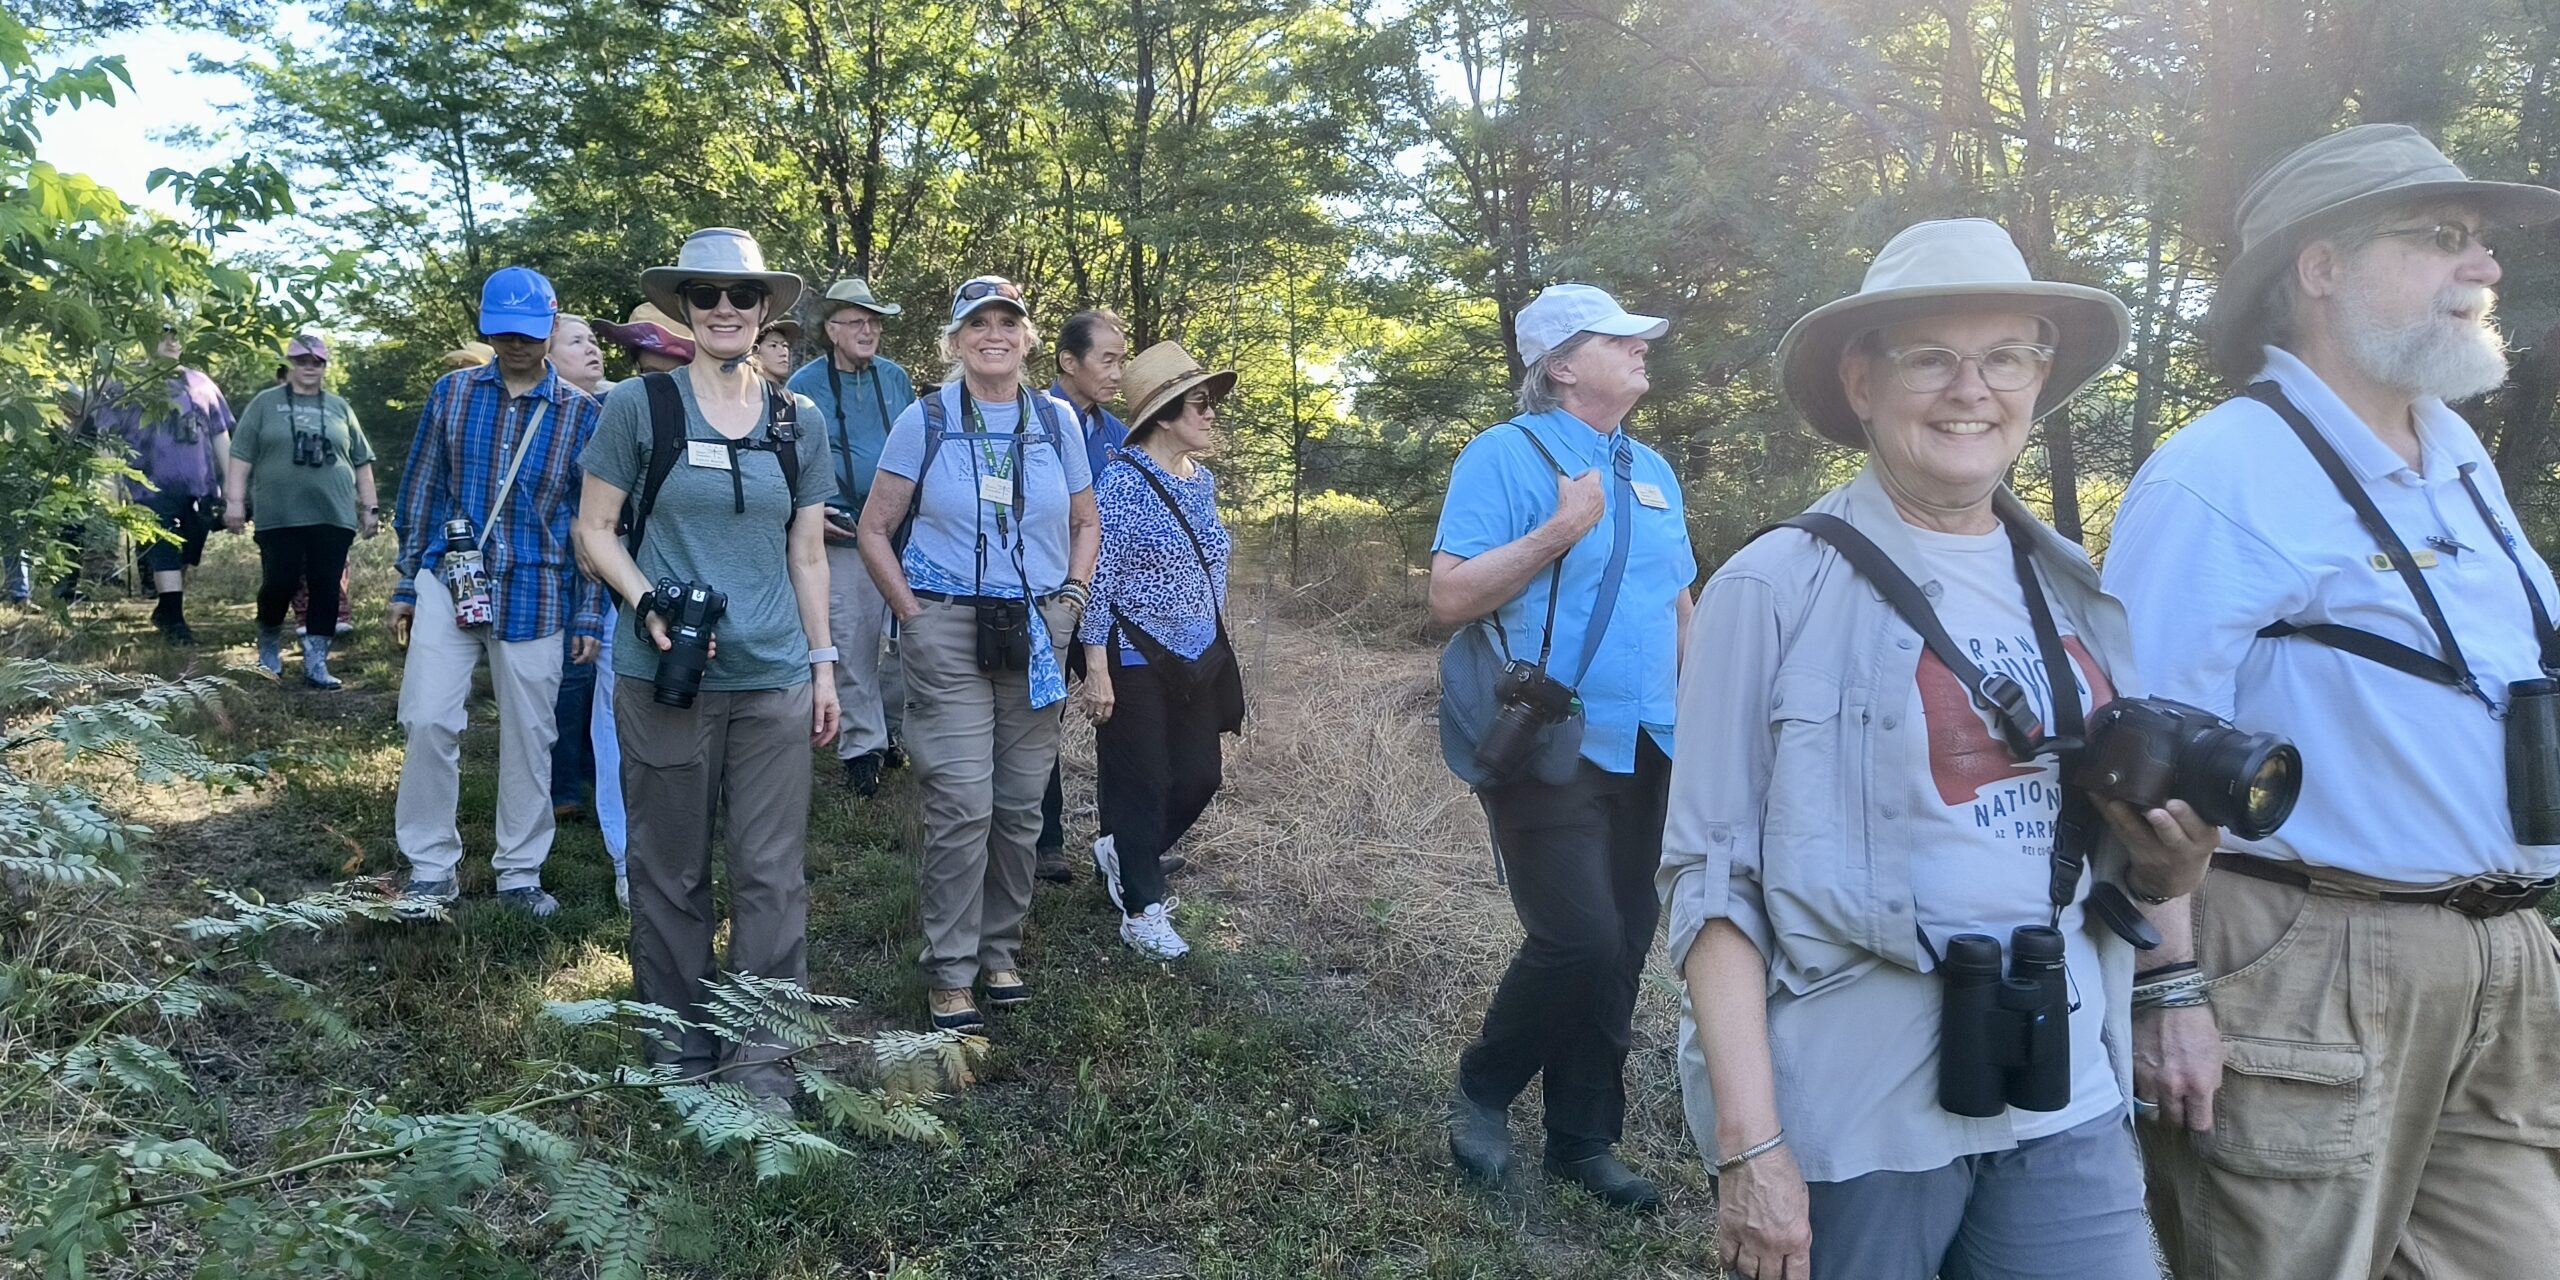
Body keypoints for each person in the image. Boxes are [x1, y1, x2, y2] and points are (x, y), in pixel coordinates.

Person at [1664, 220, 2217, 1277]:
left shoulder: (2074, 589)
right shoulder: (1772, 586)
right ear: (1862, 382)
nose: (1973, 388)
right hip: (1856, 1107)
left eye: (2005, 356)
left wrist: (2170, 887)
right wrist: (1752, 1146)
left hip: (2064, 1077)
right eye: (1932, 357)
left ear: (2038, 378)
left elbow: (2121, 842)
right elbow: (1709, 878)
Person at [2104, 125, 2560, 1280]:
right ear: (2319, 269)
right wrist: (2168, 986)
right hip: (2311, 964)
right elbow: (2134, 765)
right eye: (2439, 238)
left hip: (2499, 959)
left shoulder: (2451, 448)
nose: (2484, 267)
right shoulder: (2221, 474)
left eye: (2480, 243)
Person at [1431, 283, 1698, 1212]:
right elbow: (1452, 597)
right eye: (1617, 339)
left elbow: (1676, 601)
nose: (1640, 349)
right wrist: (1559, 531)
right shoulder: (1504, 456)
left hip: (1653, 740)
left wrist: (1700, 716)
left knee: (1624, 943)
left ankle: (1583, 1140)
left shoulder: (1653, 466)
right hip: (1550, 738)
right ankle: (1486, 1086)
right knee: (1576, 937)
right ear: (1560, 364)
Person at [572, 228, 838, 1108]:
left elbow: (808, 553)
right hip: (665, 677)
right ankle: (678, 1041)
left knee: (771, 872)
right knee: (669, 866)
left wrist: (825, 664)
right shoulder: (640, 409)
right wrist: (646, 602)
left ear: (766, 310)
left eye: (742, 296)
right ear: (685, 307)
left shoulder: (801, 420)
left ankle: (760, 1057)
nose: (725, 308)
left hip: (773, 677)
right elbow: (594, 531)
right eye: (706, 294)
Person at [853, 275, 1099, 1032]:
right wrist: (910, 615)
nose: (994, 334)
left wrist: (1073, 600)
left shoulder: (1058, 422)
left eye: (1008, 322)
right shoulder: (923, 421)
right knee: (963, 801)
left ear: (1027, 339)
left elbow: (1086, 522)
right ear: (956, 340)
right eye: (977, 324)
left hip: (1034, 632)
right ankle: (951, 968)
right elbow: (873, 528)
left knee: (1021, 804)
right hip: (949, 626)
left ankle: (1000, 949)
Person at [388, 266, 605, 919]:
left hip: (538, 589)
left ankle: (519, 874)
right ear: (487, 329)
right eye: (503, 332)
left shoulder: (581, 415)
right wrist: (405, 581)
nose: (516, 344)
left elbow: (591, 524)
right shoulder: (452, 394)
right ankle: (428, 869)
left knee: (531, 737)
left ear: (550, 324)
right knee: (427, 719)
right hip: (448, 581)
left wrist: (591, 611)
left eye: (529, 332)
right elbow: (422, 490)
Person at [1077, 341, 1237, 960]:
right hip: (1132, 655)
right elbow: (1099, 577)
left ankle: (1121, 850)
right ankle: (1142, 907)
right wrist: (1097, 670)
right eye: (1199, 404)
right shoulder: (1119, 482)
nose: (1211, 414)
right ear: (1164, 415)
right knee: (1143, 782)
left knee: (1199, 776)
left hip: (1198, 656)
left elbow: (1210, 565)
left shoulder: (1205, 482)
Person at [787, 278, 917, 797]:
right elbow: (786, 460)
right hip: (839, 534)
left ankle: (893, 733)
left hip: (901, 533)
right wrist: (807, 514)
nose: (869, 330)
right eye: (857, 321)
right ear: (831, 330)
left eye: (875, 322)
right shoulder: (804, 384)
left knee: (911, 638)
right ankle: (862, 749)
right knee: (852, 641)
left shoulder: (895, 378)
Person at [1034, 309, 1134, 883]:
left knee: (1119, 718)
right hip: (1047, 597)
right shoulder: (1030, 422)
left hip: (1108, 604)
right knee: (1040, 716)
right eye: (1108, 360)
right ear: (1069, 363)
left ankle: (1118, 845)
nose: (1118, 372)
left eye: (1122, 360)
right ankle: (1044, 841)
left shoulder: (1118, 436)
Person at [225, 333, 379, 687]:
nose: (308, 368)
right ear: (290, 364)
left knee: (327, 585)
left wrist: (369, 507)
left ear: (324, 366)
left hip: (333, 512)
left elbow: (361, 461)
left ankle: (316, 660)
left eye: (316, 362)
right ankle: (268, 640)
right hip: (279, 515)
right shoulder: (265, 403)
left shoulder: (340, 407)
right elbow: (241, 453)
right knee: (279, 582)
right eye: (301, 361)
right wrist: (234, 501)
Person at [100, 323, 234, 645]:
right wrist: (106, 481)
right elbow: (107, 436)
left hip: (199, 486)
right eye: (164, 335)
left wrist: (232, 482)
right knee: (165, 547)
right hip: (150, 485)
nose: (173, 342)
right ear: (146, 339)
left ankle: (166, 607)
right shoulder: (125, 385)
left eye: (177, 336)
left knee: (187, 550)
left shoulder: (200, 383)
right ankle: (174, 619)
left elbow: (219, 433)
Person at [594, 302, 696, 376]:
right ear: (637, 367)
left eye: (675, 374)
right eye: (653, 374)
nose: (664, 384)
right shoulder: (626, 402)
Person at [756, 317, 799, 382]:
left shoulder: (783, 392)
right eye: (773, 345)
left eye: (784, 345)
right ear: (754, 351)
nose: (784, 353)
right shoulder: (745, 390)